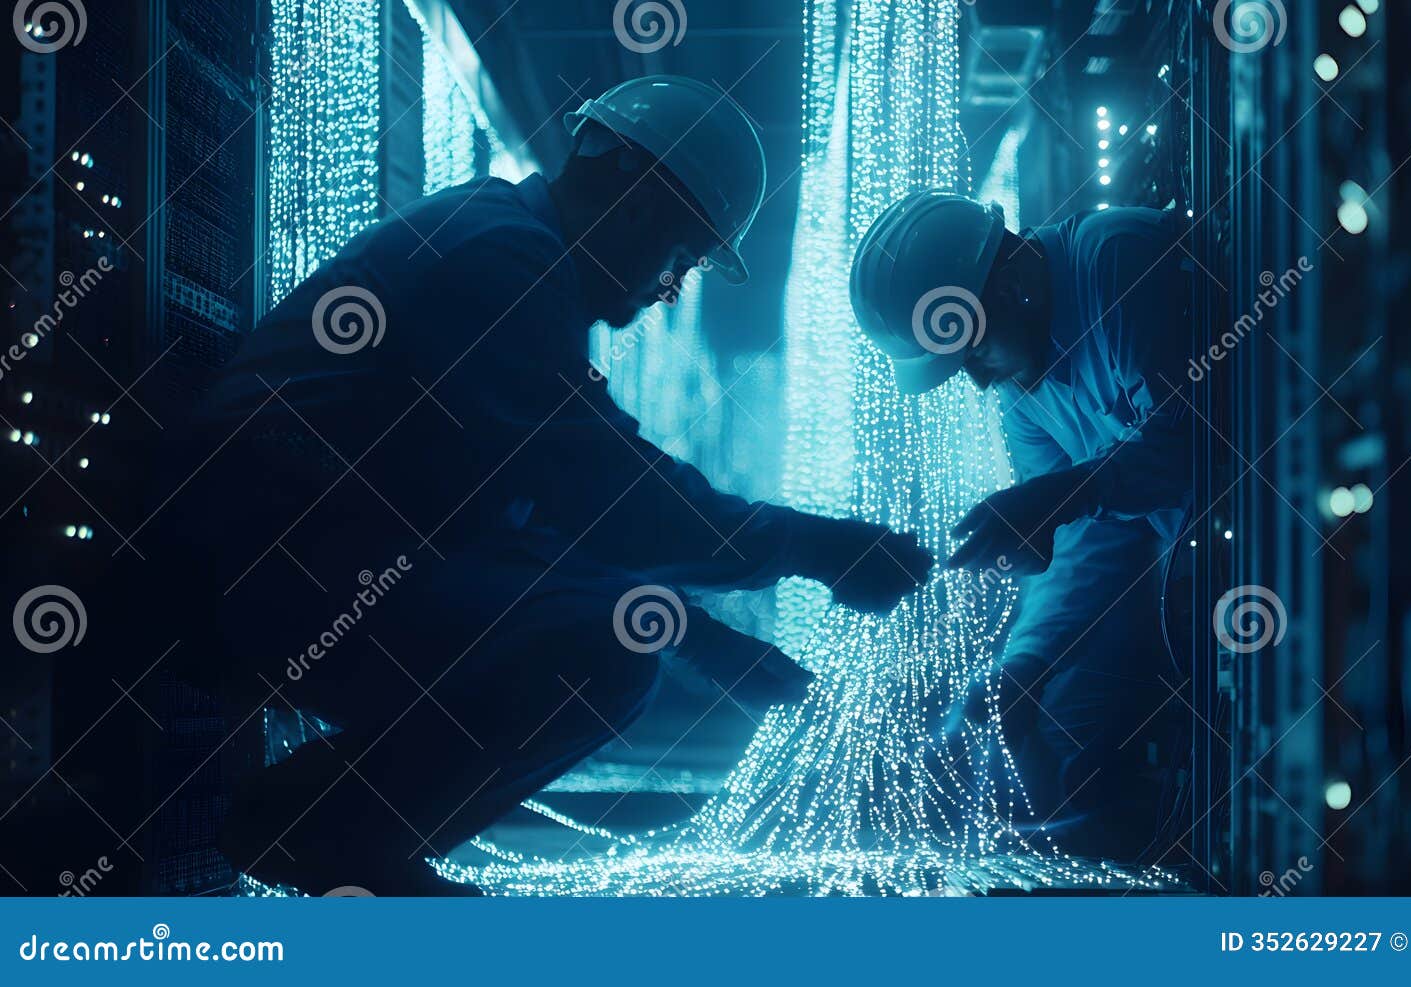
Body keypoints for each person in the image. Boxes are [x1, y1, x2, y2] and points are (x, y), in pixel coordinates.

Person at [130, 76, 933, 895]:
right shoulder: (499, 260)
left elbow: (536, 519)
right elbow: (599, 489)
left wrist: (698, 631)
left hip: (295, 555)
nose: (670, 289)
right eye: (683, 256)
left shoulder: (511, 252)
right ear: (639, 205)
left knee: (624, 624)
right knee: (609, 649)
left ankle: (335, 830)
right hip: (267, 567)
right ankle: (320, 832)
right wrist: (811, 545)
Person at [849, 191, 1193, 861]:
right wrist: (1023, 665)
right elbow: (1085, 538)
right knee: (1061, 716)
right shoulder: (1026, 392)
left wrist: (1065, 495)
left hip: (1267, 536)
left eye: (971, 353)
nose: (978, 382)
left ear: (1010, 285)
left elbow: (1201, 442)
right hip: (1192, 561)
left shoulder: (1113, 262)